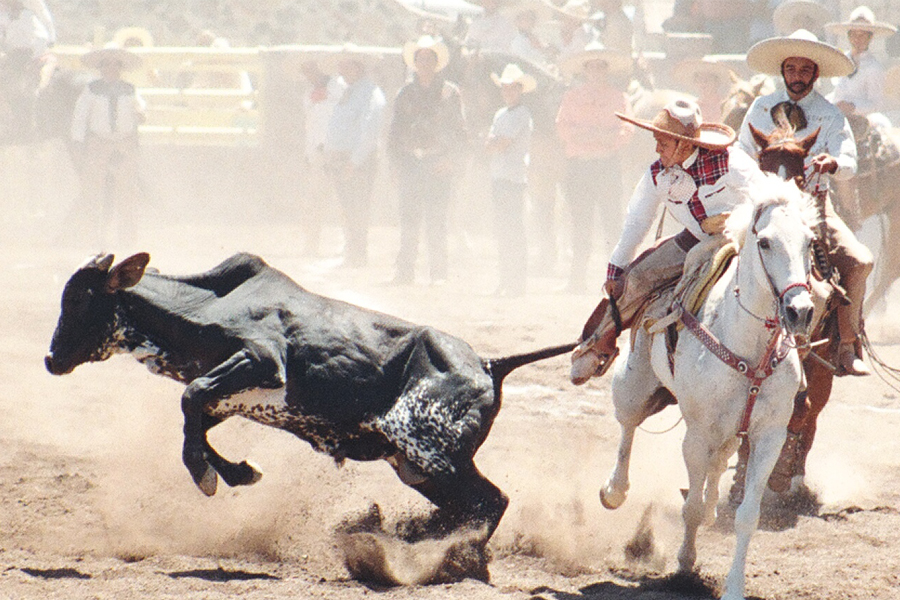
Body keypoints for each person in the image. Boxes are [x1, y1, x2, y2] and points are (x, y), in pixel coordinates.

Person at [570, 98, 761, 383]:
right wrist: (616, 268)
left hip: (743, 240)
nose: (657, 148)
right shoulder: (657, 174)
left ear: (684, 144)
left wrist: (739, 220)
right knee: (637, 278)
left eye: (663, 142)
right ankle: (596, 344)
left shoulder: (731, 161)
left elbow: (763, 195)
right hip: (695, 239)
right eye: (657, 141)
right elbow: (637, 221)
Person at [737, 28, 873, 376]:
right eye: (791, 69)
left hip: (813, 207)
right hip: (764, 205)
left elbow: (849, 161)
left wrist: (833, 163)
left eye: (805, 70)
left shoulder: (830, 114)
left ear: (815, 73)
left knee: (860, 261)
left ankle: (846, 344)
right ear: (783, 71)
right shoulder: (761, 106)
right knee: (713, 250)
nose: (797, 77)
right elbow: (740, 154)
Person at [388, 35, 466, 285]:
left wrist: (453, 160)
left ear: (436, 62)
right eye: (420, 59)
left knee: (436, 220)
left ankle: (438, 273)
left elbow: (460, 132)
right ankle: (405, 271)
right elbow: (395, 132)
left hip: (438, 162)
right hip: (411, 161)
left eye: (428, 59)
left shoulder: (449, 93)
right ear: (414, 62)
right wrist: (396, 164)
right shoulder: (405, 93)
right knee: (408, 219)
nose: (424, 63)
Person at [556, 42, 633, 292]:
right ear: (585, 70)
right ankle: (577, 279)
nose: (596, 71)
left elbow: (626, 130)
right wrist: (600, 137)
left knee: (612, 223)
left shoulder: (619, 98)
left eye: (601, 67)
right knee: (580, 222)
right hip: (580, 168)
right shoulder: (571, 97)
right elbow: (563, 129)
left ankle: (617, 280)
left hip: (605, 167)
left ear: (606, 70)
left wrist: (594, 137)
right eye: (592, 67)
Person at [70, 44, 146, 247]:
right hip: (99, 143)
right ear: (101, 68)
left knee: (127, 193)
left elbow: (140, 107)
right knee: (92, 192)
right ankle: (90, 239)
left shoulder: (129, 90)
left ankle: (128, 241)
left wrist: (140, 113)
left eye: (115, 66)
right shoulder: (92, 90)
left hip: (124, 143)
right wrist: (77, 142)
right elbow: (80, 116)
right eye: (107, 65)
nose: (111, 69)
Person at [323, 49, 386, 268]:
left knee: (356, 206)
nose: (342, 71)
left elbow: (369, 130)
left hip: (357, 159)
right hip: (343, 157)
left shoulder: (369, 93)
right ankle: (353, 252)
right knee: (348, 207)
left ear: (358, 67)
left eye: (346, 66)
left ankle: (358, 254)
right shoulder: (350, 92)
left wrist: (354, 161)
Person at [486, 63, 536, 297]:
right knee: (504, 230)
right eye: (505, 88)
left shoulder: (522, 114)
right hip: (501, 177)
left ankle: (516, 282)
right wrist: (494, 144)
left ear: (519, 89)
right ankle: (507, 279)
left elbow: (499, 144)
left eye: (512, 88)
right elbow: (493, 145)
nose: (508, 92)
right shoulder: (501, 114)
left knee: (513, 230)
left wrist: (493, 144)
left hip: (513, 179)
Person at [300, 57, 346, 256]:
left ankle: (348, 244)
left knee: (344, 200)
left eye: (311, 69)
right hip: (318, 153)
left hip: (338, 152)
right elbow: (310, 126)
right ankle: (311, 245)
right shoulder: (307, 95)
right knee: (315, 200)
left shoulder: (339, 86)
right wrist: (309, 153)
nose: (309, 75)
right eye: (306, 71)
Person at [826, 6, 897, 119]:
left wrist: (853, 107)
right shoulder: (842, 59)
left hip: (860, 121)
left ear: (870, 37)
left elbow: (876, 104)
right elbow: (837, 93)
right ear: (849, 36)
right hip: (835, 117)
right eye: (854, 34)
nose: (857, 39)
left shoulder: (874, 68)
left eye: (862, 35)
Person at [673, 57, 734, 122]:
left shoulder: (727, 106)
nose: (703, 84)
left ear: (717, 82)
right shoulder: (691, 108)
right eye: (699, 80)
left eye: (707, 80)